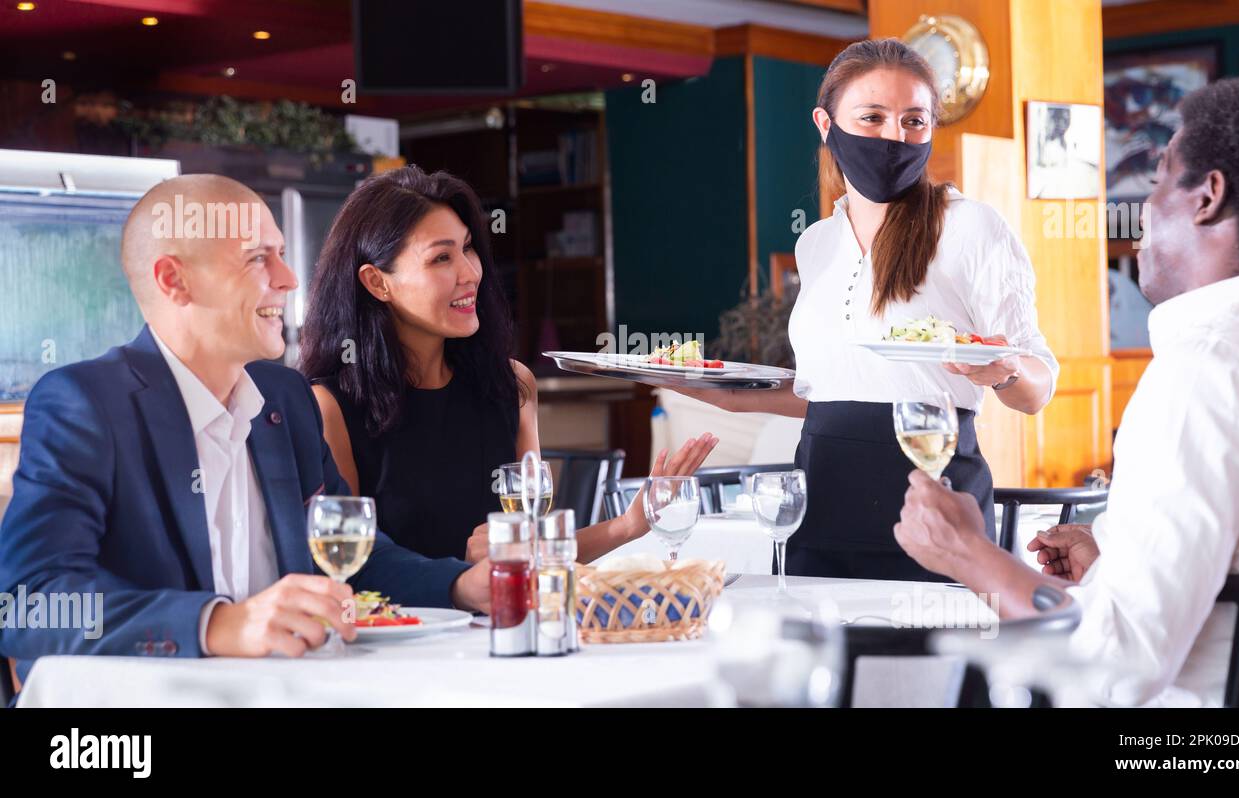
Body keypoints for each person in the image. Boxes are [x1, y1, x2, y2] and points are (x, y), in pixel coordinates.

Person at [894, 76, 1239, 706]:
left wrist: (969, 554)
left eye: (1159, 179)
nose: (1139, 209)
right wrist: (1113, 563)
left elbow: (1114, 668)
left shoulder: (1208, 371)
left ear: (1206, 197)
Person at [0, 174, 492, 690]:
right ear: (175, 280)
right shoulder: (85, 404)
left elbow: (356, 559)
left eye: (281, 253)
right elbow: (33, 602)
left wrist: (461, 584)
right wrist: (219, 623)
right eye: (260, 258)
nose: (289, 278)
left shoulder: (284, 398)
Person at [674, 39, 1057, 581]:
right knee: (825, 661)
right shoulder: (815, 243)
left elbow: (1038, 389)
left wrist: (1005, 371)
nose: (894, 137)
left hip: (934, 500)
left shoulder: (972, 228)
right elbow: (833, 391)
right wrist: (730, 399)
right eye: (872, 117)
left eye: (913, 121)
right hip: (821, 495)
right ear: (825, 124)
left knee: (934, 660)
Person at [298, 166, 717, 565]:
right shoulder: (331, 408)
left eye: (467, 248)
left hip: (509, 629)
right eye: (441, 258)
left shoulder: (511, 385)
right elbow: (348, 568)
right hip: (404, 636)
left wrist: (630, 523)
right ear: (377, 282)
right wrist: (459, 570)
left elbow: (536, 551)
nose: (470, 273)